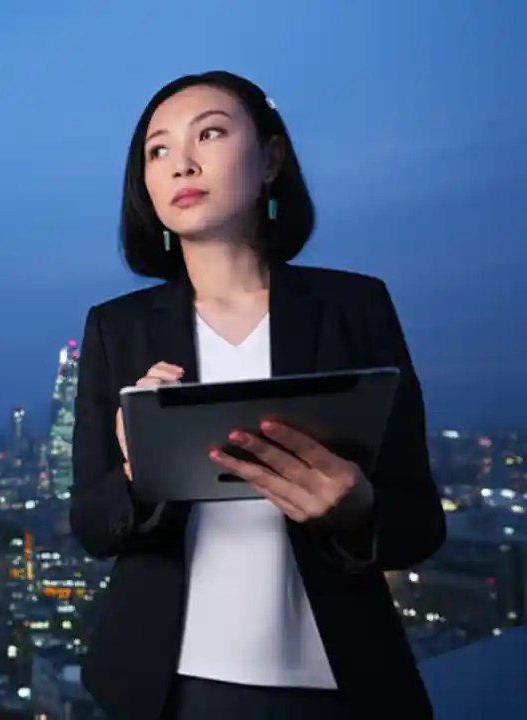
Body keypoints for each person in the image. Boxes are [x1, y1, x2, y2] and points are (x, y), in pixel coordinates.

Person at [69, 70, 447, 720]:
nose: (181, 163)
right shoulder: (118, 329)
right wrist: (138, 473)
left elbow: (420, 522)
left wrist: (356, 508)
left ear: (271, 158)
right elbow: (91, 525)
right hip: (169, 686)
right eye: (158, 150)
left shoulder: (354, 307)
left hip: (341, 681)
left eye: (210, 134)